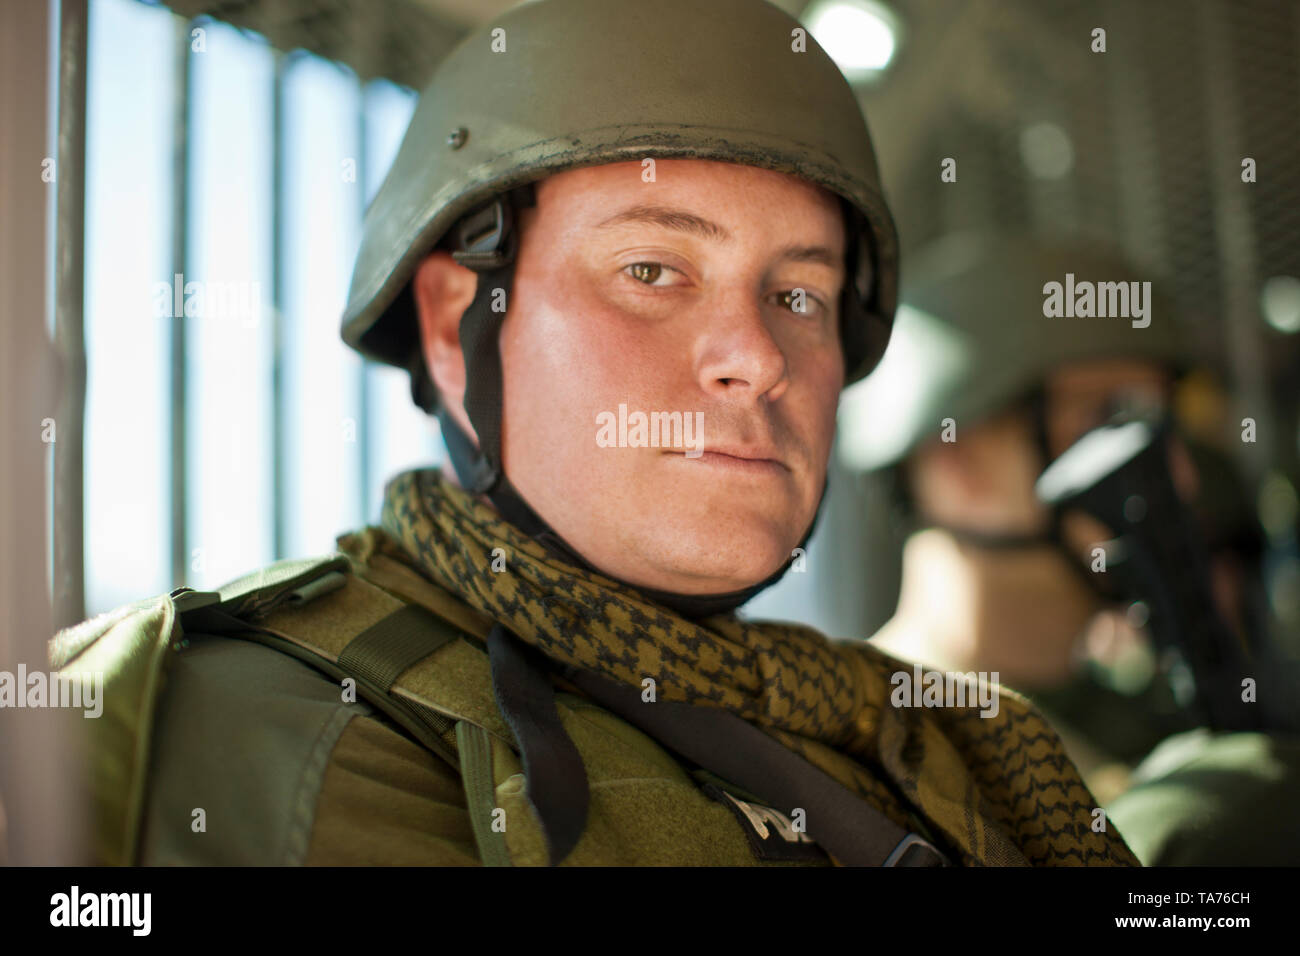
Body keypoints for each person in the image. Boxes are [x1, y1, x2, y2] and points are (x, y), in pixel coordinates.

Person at [51, 0, 1134, 867]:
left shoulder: (919, 734)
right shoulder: (244, 726)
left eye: (798, 294)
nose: (755, 355)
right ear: (450, 323)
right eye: (651, 270)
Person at [839, 232, 1300, 862]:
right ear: (957, 463)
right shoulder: (859, 746)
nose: (1182, 480)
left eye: (1163, 429)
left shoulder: (1131, 715)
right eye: (1110, 419)